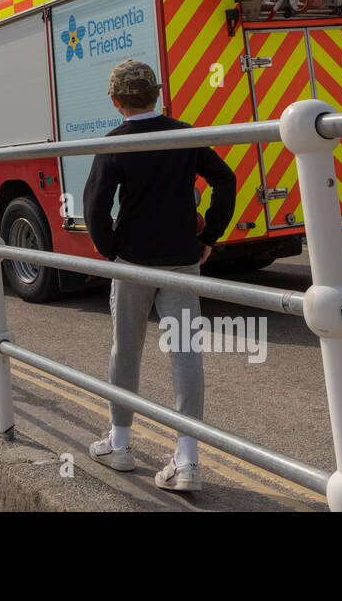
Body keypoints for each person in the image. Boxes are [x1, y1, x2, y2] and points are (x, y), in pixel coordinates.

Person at [83, 60, 236, 494]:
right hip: (183, 259)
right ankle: (187, 460)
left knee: (125, 348)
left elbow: (95, 202)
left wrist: (109, 249)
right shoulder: (182, 134)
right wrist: (210, 234)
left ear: (116, 101)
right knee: (185, 352)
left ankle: (122, 444)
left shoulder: (114, 142)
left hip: (133, 260)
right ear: (157, 93)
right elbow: (225, 180)